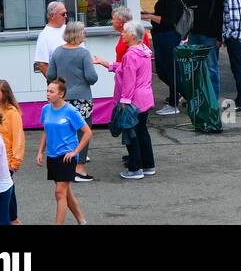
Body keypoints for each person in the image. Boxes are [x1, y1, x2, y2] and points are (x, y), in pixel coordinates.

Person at [95, 22, 156, 180]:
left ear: (133, 35)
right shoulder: (144, 51)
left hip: (133, 100)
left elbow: (129, 79)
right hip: (145, 98)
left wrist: (124, 100)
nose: (122, 35)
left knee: (131, 134)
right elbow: (125, 68)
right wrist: (105, 63)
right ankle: (148, 165)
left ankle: (135, 168)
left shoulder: (130, 55)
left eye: (125, 32)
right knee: (142, 131)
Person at [46, 22, 98, 182]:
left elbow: (50, 75)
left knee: (67, 133)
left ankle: (66, 165)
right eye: (83, 32)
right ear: (78, 34)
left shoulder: (57, 52)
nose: (85, 35)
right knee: (83, 132)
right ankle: (80, 168)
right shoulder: (84, 53)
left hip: (64, 98)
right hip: (82, 97)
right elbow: (92, 77)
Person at [36, 79, 90, 225]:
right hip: (52, 156)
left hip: (67, 156)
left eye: (51, 92)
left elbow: (87, 133)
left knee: (60, 192)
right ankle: (81, 220)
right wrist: (40, 151)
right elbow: (46, 132)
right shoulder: (45, 109)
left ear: (60, 94)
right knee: (65, 192)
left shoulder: (71, 111)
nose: (47, 94)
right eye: (47, 91)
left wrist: (75, 152)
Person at [144, 0, 187, 116]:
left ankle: (175, 101)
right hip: (164, 36)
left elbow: (169, 21)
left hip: (168, 36)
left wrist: (149, 16)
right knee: (163, 70)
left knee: (169, 69)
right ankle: (179, 93)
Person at [187, 0, 225, 98]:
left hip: (210, 35)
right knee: (194, 67)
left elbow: (222, 15)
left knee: (211, 68)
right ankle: (197, 96)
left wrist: (219, 37)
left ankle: (213, 98)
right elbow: (190, 5)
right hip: (195, 32)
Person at [0, 80, 24, 225]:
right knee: (5, 192)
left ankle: (13, 220)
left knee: (4, 193)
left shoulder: (11, 112)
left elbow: (18, 137)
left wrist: (15, 162)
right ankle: (12, 220)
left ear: (5, 94)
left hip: (7, 160)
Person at [33, 1, 68, 78]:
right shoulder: (44, 36)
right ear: (52, 16)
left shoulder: (69, 29)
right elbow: (42, 64)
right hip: (59, 84)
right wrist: (55, 83)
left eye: (66, 13)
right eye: (63, 14)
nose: (65, 16)